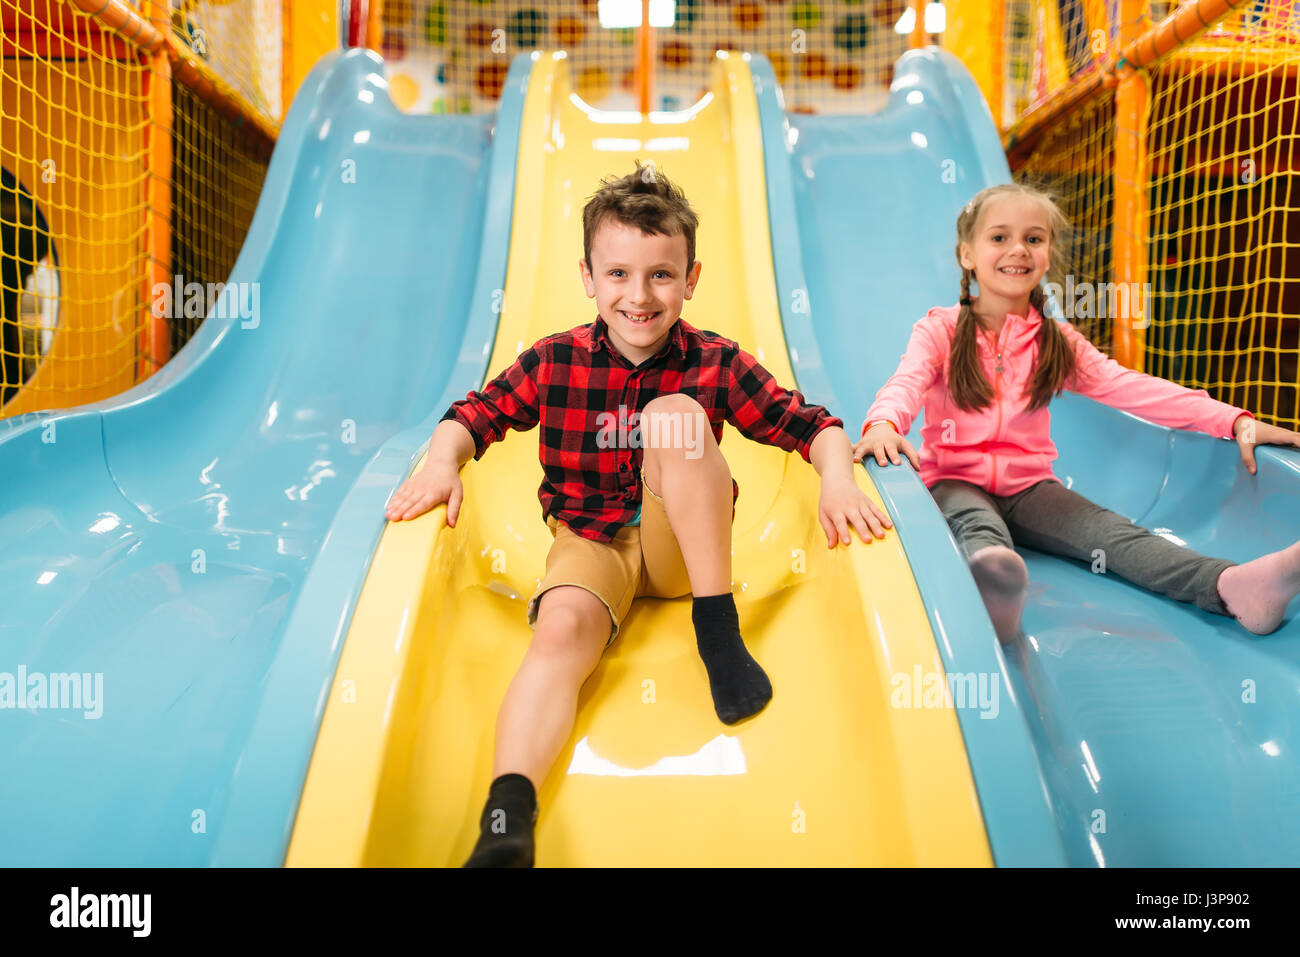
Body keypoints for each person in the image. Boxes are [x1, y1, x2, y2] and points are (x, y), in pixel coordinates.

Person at [385, 161, 891, 867]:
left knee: (676, 415)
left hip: (684, 549)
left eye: (661, 274)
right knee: (559, 629)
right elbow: (475, 413)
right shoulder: (554, 359)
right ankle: (507, 817)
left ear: (692, 278)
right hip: (590, 538)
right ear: (589, 277)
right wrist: (443, 462)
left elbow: (810, 424)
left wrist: (837, 479)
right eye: (618, 274)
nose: (639, 295)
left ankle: (718, 631)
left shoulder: (714, 361)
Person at [853, 182, 1300, 644]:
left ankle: (1233, 587)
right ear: (967, 253)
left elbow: (1133, 388)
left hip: (1030, 488)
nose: (1018, 250)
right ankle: (991, 589)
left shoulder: (1055, 341)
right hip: (952, 481)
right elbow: (906, 382)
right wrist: (884, 423)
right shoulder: (940, 330)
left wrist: (1232, 419)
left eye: (1034, 238)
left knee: (1111, 534)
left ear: (1047, 254)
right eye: (999, 237)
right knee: (976, 525)